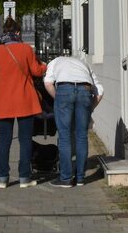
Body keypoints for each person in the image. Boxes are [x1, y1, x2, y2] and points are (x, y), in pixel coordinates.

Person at [0, 16, 47, 189]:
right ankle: (24, 177)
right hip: (24, 100)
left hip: (3, 101)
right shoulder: (26, 49)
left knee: (4, 140)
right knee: (25, 140)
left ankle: (3, 178)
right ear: (18, 32)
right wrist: (44, 67)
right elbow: (36, 71)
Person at [43, 52, 103, 187]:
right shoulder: (83, 64)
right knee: (82, 135)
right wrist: (90, 108)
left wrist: (57, 98)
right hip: (85, 89)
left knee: (64, 136)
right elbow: (100, 90)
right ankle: (80, 178)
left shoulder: (54, 62)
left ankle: (66, 178)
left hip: (64, 89)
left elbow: (48, 83)